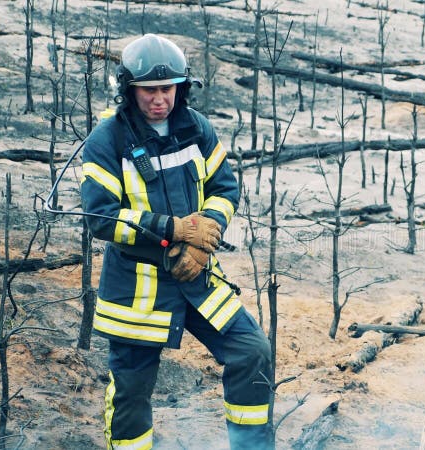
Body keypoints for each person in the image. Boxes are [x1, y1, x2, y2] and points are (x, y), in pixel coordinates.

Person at [80, 34, 272, 449]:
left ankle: (251, 445)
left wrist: (203, 240)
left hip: (196, 277)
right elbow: (100, 217)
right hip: (138, 289)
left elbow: (225, 188)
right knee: (131, 392)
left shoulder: (195, 127)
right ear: (128, 90)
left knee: (252, 351)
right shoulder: (106, 141)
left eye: (167, 89)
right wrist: (173, 230)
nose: (159, 100)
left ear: (181, 88)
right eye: (149, 90)